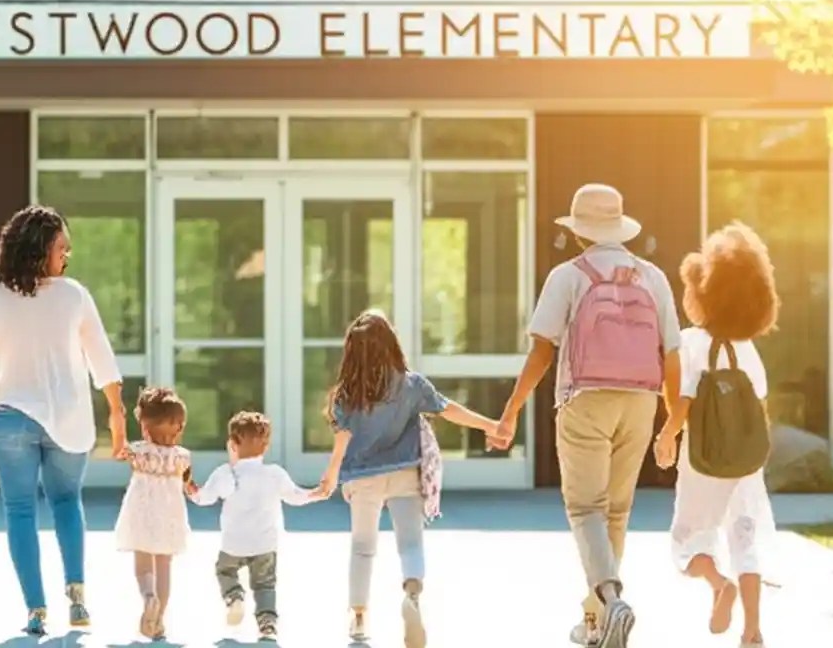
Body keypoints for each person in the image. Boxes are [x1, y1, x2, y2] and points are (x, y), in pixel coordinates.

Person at [490, 184, 682, 648]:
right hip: (641, 401)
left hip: (585, 400)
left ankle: (612, 601)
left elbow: (541, 352)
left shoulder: (568, 276)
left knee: (585, 509)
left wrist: (510, 412)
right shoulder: (652, 277)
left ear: (578, 231)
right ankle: (595, 622)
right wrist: (673, 425)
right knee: (616, 512)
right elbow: (673, 355)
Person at [0, 205, 128, 636]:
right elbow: (102, 360)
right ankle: (78, 597)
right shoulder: (73, 295)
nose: (67, 256)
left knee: (19, 510)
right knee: (67, 502)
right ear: (40, 249)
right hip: (67, 419)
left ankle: (36, 610)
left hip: (10, 421)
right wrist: (117, 415)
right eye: (61, 247)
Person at [315, 309, 503, 648]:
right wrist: (492, 426)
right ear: (391, 344)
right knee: (411, 544)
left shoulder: (345, 394)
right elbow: (449, 409)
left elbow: (342, 439)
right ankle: (412, 595)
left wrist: (330, 476)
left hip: (362, 479)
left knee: (362, 548)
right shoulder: (411, 383)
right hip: (405, 473)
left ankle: (358, 617)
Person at [654, 222, 779, 648]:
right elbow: (759, 400)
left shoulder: (690, 342)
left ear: (704, 294)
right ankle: (752, 630)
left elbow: (684, 398)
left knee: (688, 542)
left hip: (702, 459)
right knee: (747, 540)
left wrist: (667, 435)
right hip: (744, 461)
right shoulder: (747, 347)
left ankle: (715, 582)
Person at [186, 411, 327, 641]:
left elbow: (203, 498)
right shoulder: (274, 474)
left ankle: (234, 597)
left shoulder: (225, 474)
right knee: (265, 585)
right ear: (266, 446)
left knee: (225, 570)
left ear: (232, 444)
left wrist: (189, 485)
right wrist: (316, 494)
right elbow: (295, 496)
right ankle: (267, 624)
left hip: (233, 544)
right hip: (265, 545)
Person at [114, 386, 193, 641]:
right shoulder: (183, 457)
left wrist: (118, 424)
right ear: (180, 428)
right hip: (170, 515)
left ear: (145, 428)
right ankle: (159, 621)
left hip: (142, 511)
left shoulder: (139, 452)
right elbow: (187, 484)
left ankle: (149, 596)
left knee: (143, 559)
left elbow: (118, 451)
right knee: (165, 563)